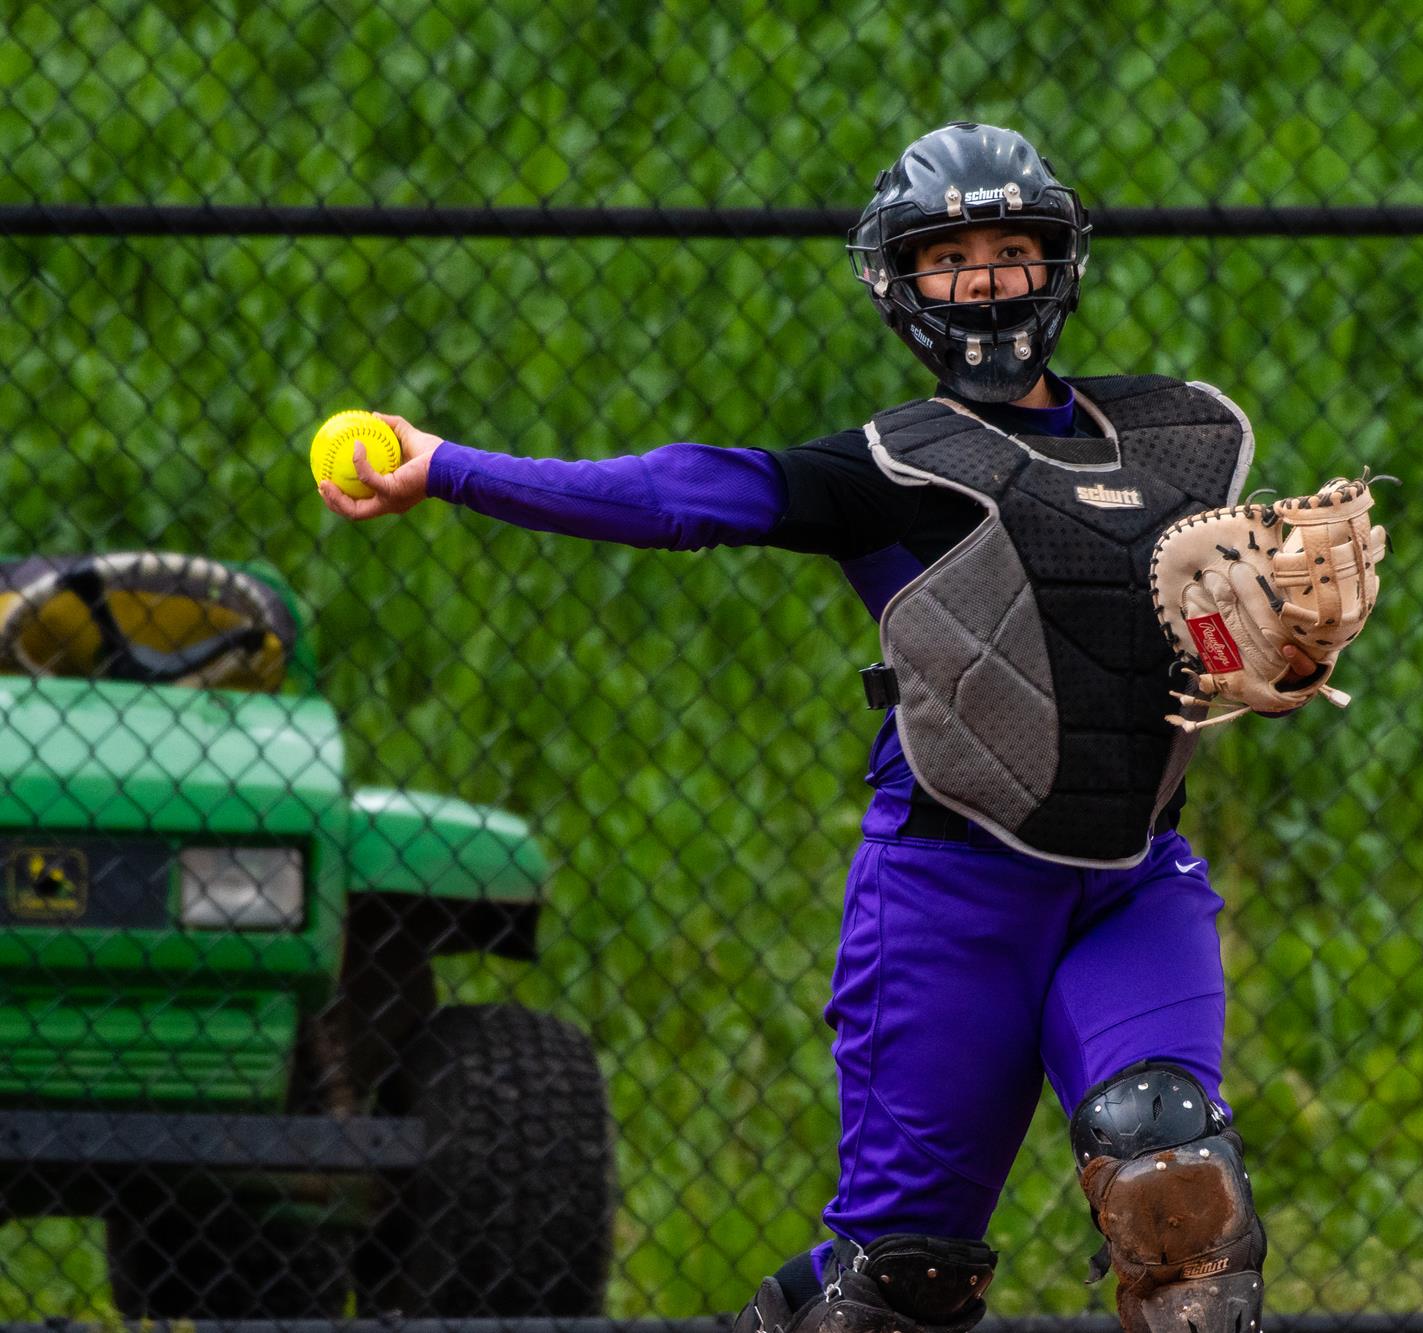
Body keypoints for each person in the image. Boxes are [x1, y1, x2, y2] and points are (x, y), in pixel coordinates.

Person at [319, 121, 1313, 1333]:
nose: (989, 278)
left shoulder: (1176, 443)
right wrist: (449, 467)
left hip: (1132, 884)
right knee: (902, 1277)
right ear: (899, 284)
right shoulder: (890, 467)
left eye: (1014, 247)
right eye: (952, 255)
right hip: (949, 894)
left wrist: (1276, 646)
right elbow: (680, 495)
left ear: (1061, 263)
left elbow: (1216, 625)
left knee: (1177, 1186)